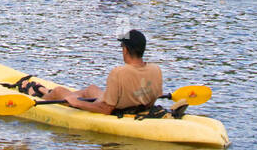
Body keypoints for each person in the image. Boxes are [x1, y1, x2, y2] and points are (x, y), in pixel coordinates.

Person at [37, 30, 187, 118]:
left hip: (118, 111)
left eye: (122, 46)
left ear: (126, 50)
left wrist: (77, 103)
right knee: (91, 89)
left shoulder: (119, 72)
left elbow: (106, 109)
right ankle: (46, 92)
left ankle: (39, 98)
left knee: (59, 92)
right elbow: (152, 98)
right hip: (137, 107)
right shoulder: (156, 69)